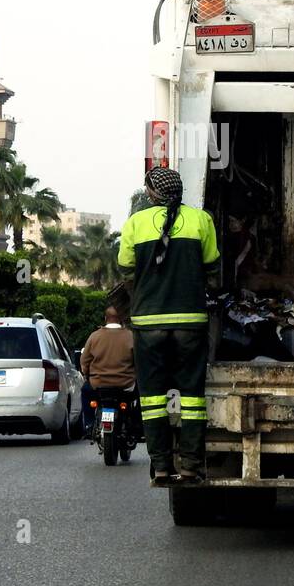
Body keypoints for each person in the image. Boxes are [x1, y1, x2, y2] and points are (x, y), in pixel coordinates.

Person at [118, 165, 220, 484]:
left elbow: (124, 267)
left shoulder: (135, 223)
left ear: (151, 193)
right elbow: (213, 265)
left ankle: (161, 466)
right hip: (190, 321)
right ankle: (190, 465)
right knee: (191, 396)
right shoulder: (201, 220)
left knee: (151, 397)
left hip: (148, 323)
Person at [79, 306, 135, 432]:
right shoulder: (131, 336)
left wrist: (87, 374)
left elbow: (84, 361)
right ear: (121, 319)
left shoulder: (94, 337)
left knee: (85, 391)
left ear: (105, 319)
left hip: (98, 384)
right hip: (125, 384)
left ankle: (89, 425)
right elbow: (138, 360)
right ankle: (134, 426)